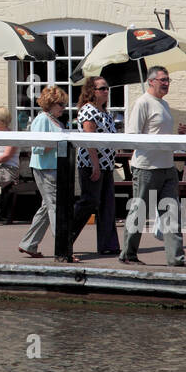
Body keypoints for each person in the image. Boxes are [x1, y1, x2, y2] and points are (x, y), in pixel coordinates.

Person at [121, 65, 186, 266]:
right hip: (146, 168)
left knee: (171, 213)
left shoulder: (164, 105)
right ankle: (128, 254)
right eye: (163, 80)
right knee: (139, 212)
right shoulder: (142, 103)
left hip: (167, 166)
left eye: (168, 80)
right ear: (151, 81)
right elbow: (133, 135)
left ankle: (176, 258)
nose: (167, 83)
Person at [17, 87, 79, 262]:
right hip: (45, 169)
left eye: (64, 104)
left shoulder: (56, 121)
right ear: (50, 104)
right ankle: (63, 249)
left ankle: (29, 243)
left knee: (47, 207)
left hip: (56, 168)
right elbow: (37, 147)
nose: (63, 108)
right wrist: (59, 143)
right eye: (60, 104)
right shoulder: (42, 119)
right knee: (55, 207)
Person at [70, 77, 121, 255]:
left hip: (107, 164)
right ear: (92, 91)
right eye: (102, 89)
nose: (106, 91)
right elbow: (89, 138)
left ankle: (108, 244)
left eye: (107, 88)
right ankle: (66, 236)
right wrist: (95, 164)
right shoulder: (88, 110)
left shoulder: (105, 112)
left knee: (107, 204)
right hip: (91, 164)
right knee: (89, 201)